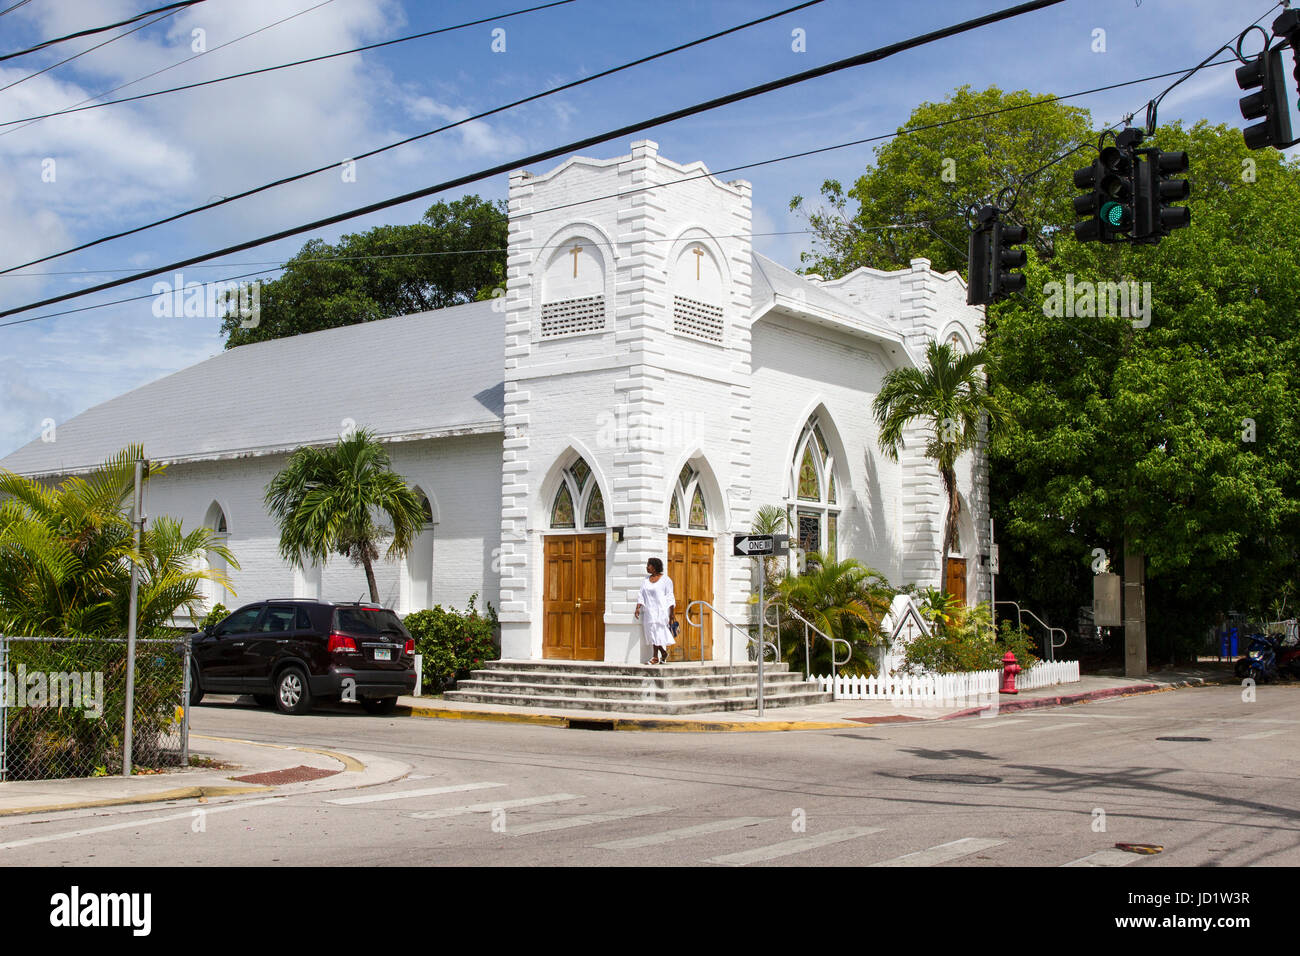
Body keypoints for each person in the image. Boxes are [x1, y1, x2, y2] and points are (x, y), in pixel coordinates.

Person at [634, 557, 676, 664]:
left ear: (655, 566)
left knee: (657, 632)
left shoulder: (666, 580)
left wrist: (672, 613)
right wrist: (638, 608)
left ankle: (655, 657)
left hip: (661, 611)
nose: (647, 567)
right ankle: (663, 653)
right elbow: (641, 595)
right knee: (652, 632)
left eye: (649, 565)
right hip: (649, 611)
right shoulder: (646, 581)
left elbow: (670, 597)